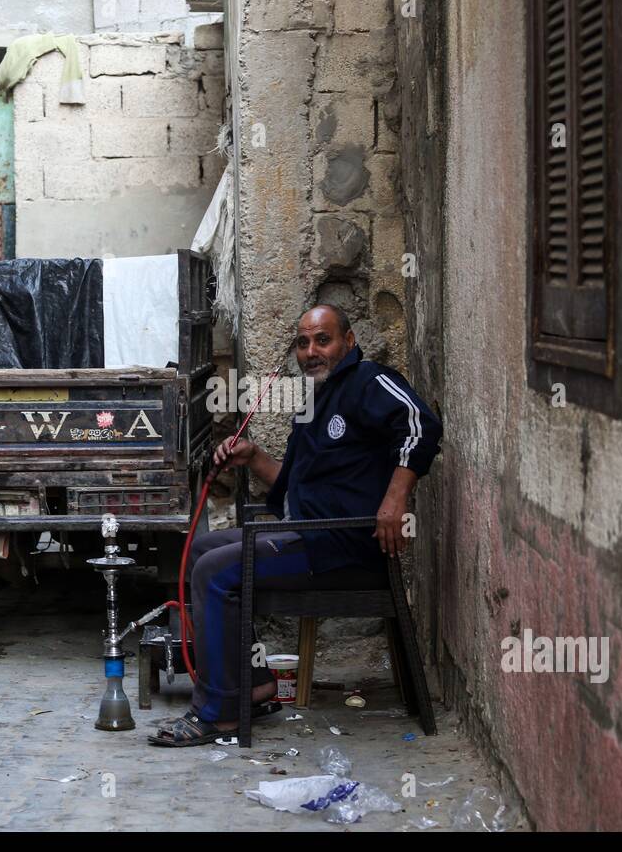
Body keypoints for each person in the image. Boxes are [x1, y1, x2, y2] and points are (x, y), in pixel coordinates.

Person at [149, 304, 442, 746]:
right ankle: (255, 683)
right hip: (307, 532)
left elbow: (422, 425)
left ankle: (218, 712)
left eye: (322, 340)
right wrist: (253, 456)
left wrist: (395, 499)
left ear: (349, 341)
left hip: (342, 543)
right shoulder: (315, 402)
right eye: (303, 342)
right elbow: (291, 484)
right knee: (204, 552)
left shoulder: (370, 381)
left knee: (216, 572)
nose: (311, 351)